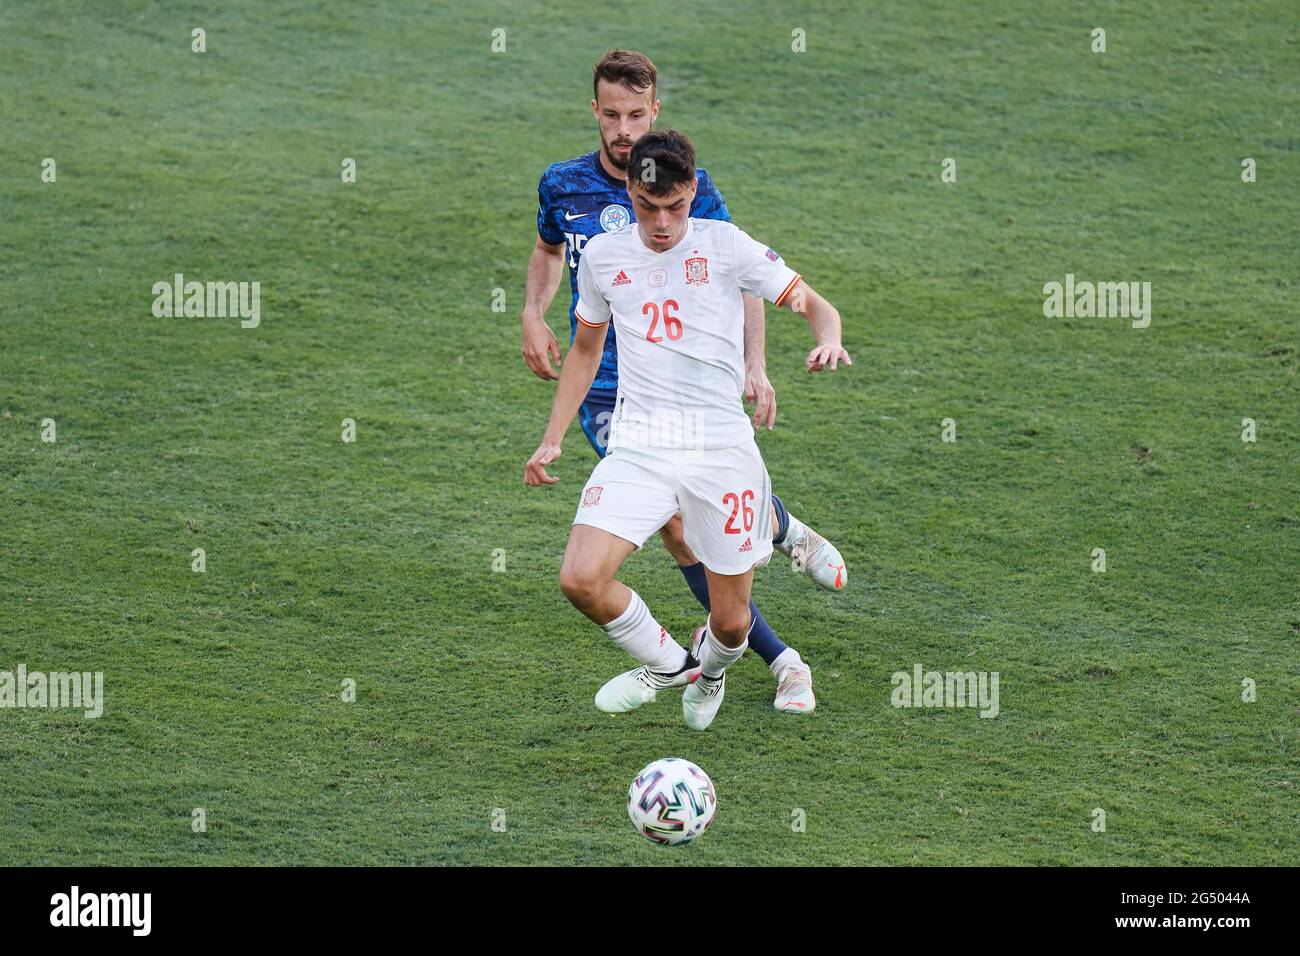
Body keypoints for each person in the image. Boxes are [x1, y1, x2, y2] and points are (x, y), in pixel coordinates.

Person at [521, 50, 845, 714]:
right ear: (594, 111)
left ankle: (775, 554)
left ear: (655, 111)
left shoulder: (691, 190)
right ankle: (736, 657)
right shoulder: (565, 187)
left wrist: (757, 366)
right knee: (669, 531)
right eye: (612, 114)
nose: (624, 128)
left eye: (636, 114)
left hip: (699, 409)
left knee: (689, 526)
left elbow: (745, 279)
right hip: (615, 399)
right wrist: (531, 312)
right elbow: (550, 251)